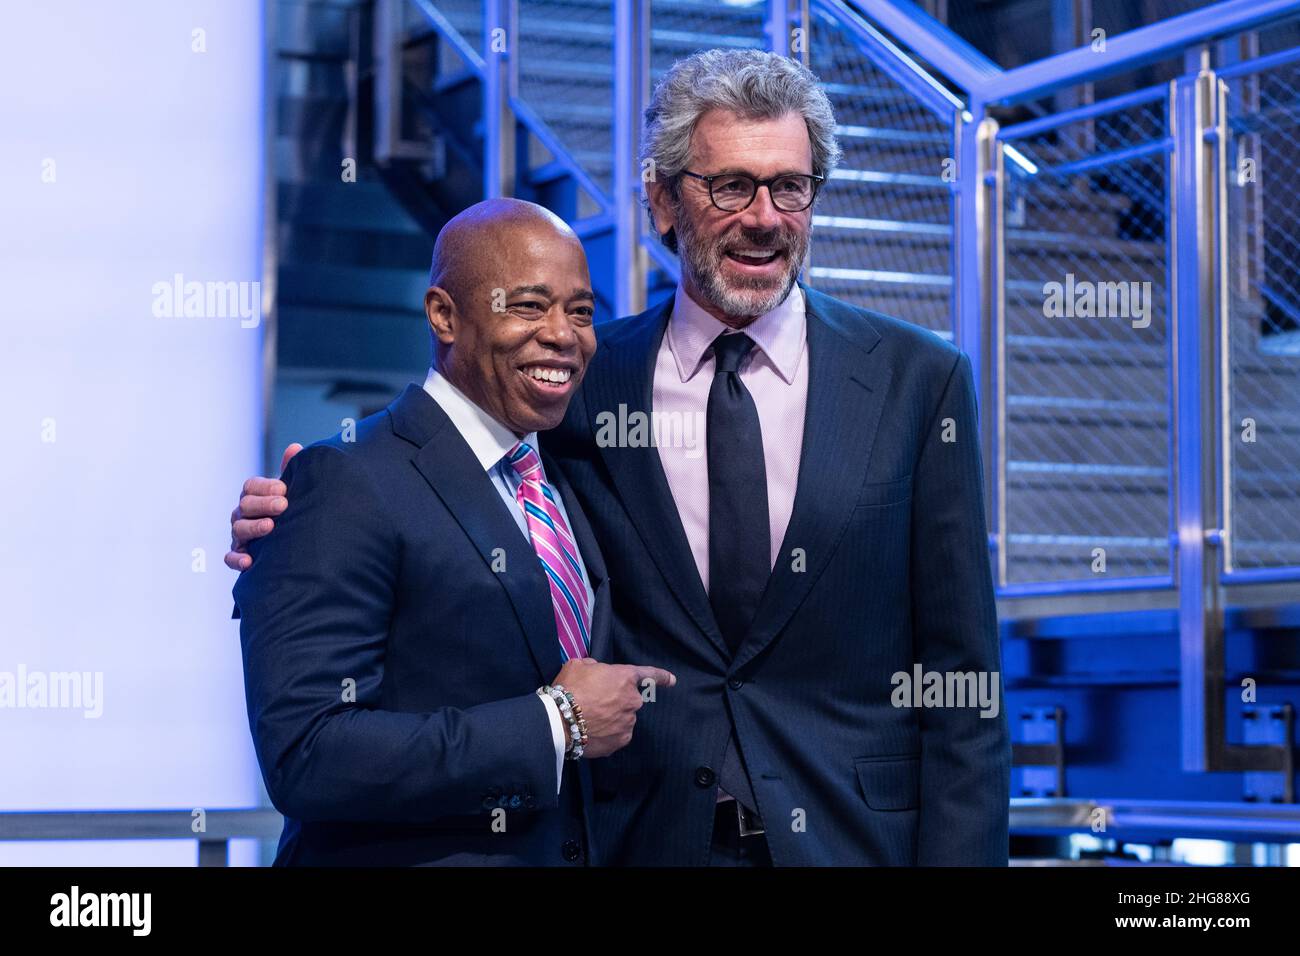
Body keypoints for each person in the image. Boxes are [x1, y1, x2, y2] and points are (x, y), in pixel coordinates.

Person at [232, 49, 1008, 866]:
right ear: (663, 199)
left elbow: (965, 688)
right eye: (731, 185)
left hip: (854, 846)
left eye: (791, 186)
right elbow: (438, 462)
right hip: (635, 843)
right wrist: (294, 516)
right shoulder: (580, 385)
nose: (765, 216)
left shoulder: (920, 382)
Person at [233, 198, 673, 866]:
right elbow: (307, 752)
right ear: (443, 314)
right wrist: (556, 721)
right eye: (528, 305)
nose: (563, 334)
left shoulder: (560, 476)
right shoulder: (344, 479)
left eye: (581, 311)